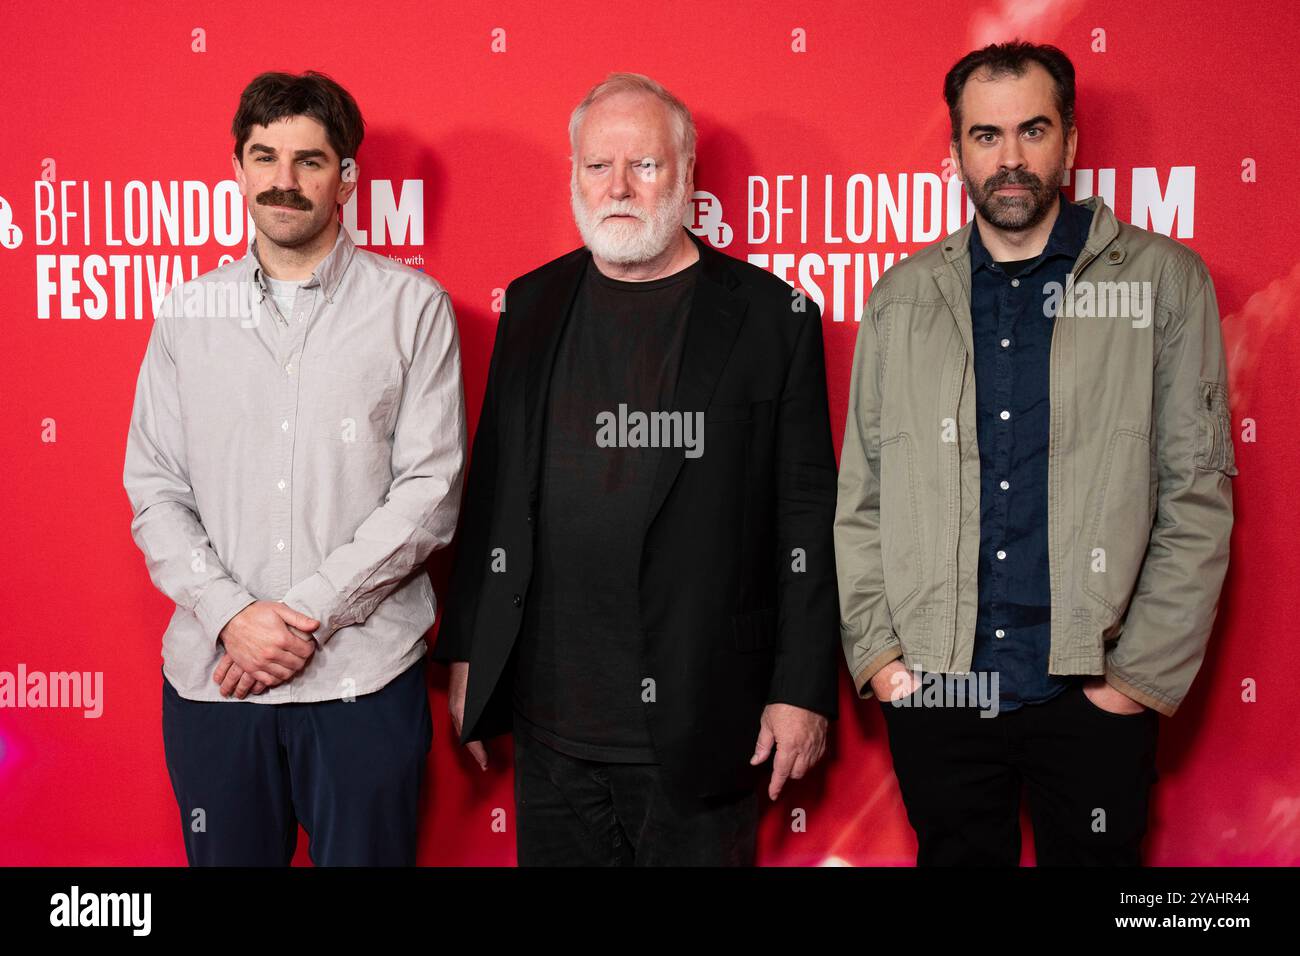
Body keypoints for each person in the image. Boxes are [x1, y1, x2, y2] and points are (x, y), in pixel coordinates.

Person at [835, 42, 1235, 865]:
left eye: (1032, 130)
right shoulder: (902, 299)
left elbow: (1196, 497)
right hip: (940, 687)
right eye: (985, 136)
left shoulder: (1164, 284)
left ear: (1072, 141)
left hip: (1088, 688)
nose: (1009, 159)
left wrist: (1132, 684)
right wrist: (883, 664)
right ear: (955, 152)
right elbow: (863, 494)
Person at [433, 72, 841, 866]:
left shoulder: (769, 317)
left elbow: (806, 513)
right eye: (597, 167)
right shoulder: (533, 303)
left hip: (702, 722)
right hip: (551, 727)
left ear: (686, 175)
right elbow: (494, 488)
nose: (618, 187)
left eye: (645, 166)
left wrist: (800, 688)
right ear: (575, 174)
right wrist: (470, 652)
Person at [123, 70, 466, 865]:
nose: (284, 181)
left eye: (310, 160)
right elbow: (155, 488)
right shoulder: (185, 315)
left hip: (362, 681)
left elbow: (430, 492)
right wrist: (233, 619)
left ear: (347, 177)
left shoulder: (413, 309)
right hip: (216, 679)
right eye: (265, 156)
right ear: (238, 167)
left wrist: (302, 616)